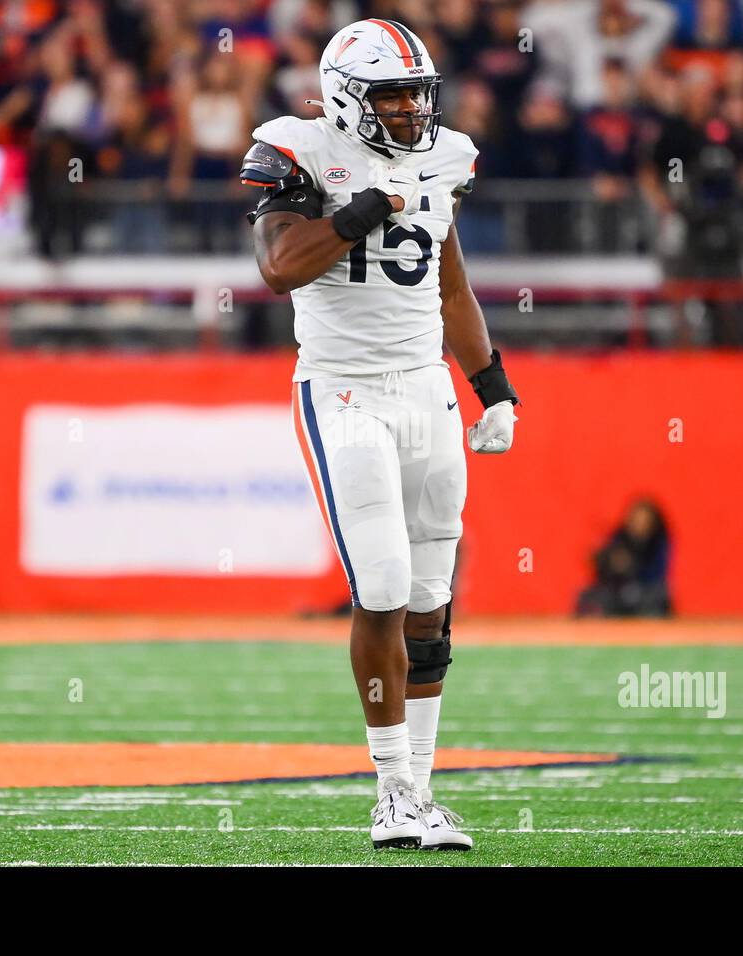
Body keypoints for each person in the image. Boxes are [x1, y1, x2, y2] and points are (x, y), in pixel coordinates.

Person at [241, 19, 520, 851]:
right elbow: (279, 266)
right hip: (344, 390)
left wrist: (493, 389)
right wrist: (364, 208)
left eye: (415, 94)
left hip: (427, 388)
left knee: (432, 602)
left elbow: (450, 284)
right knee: (385, 585)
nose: (408, 110)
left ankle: (422, 794)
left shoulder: (448, 156)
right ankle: (391, 791)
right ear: (344, 98)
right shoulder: (299, 148)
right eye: (390, 95)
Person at [576, 499, 671, 616]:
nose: (639, 524)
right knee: (591, 597)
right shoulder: (619, 537)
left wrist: (632, 566)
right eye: (636, 520)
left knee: (656, 599)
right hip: (617, 592)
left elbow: (657, 573)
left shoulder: (658, 542)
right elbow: (604, 571)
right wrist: (606, 561)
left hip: (646, 591)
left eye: (644, 520)